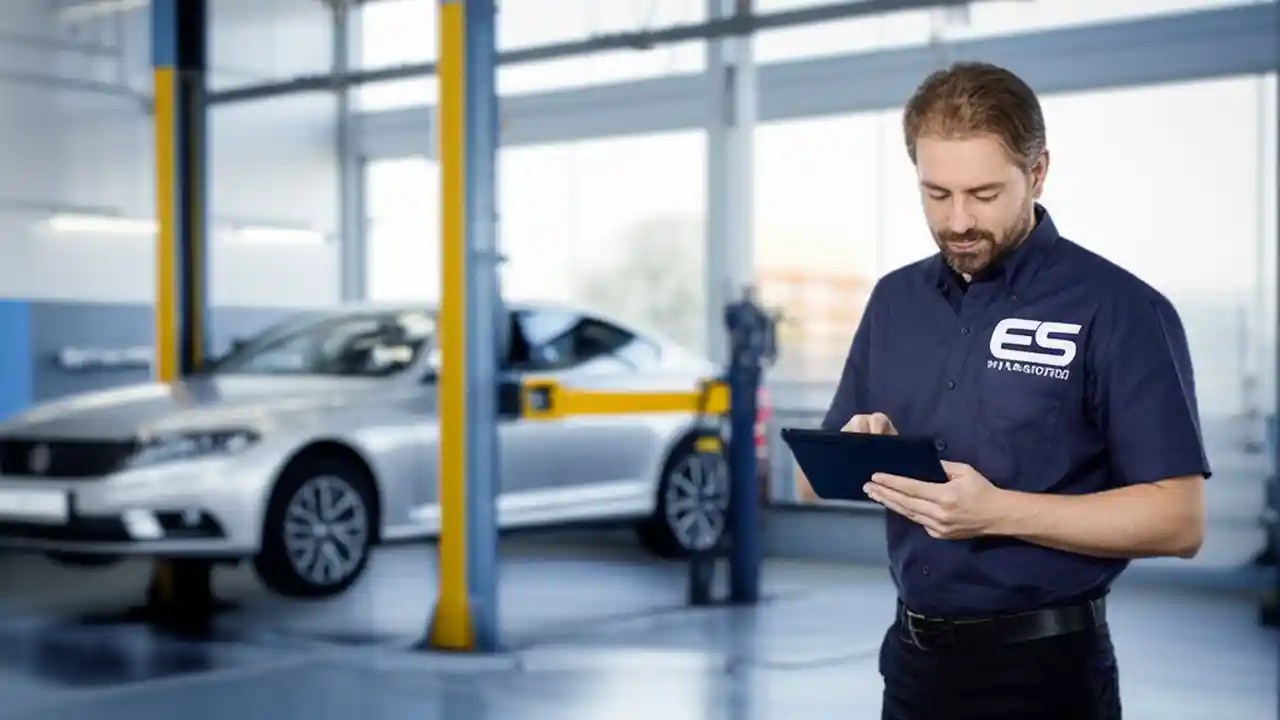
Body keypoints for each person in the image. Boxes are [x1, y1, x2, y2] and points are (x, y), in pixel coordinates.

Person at [801, 61, 1211, 719]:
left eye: (984, 195)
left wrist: (997, 513)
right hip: (911, 667)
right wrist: (855, 452)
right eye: (936, 194)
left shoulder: (1120, 310)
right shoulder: (895, 301)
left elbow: (1179, 520)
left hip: (1044, 676)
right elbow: (811, 480)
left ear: (1038, 172)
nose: (958, 220)